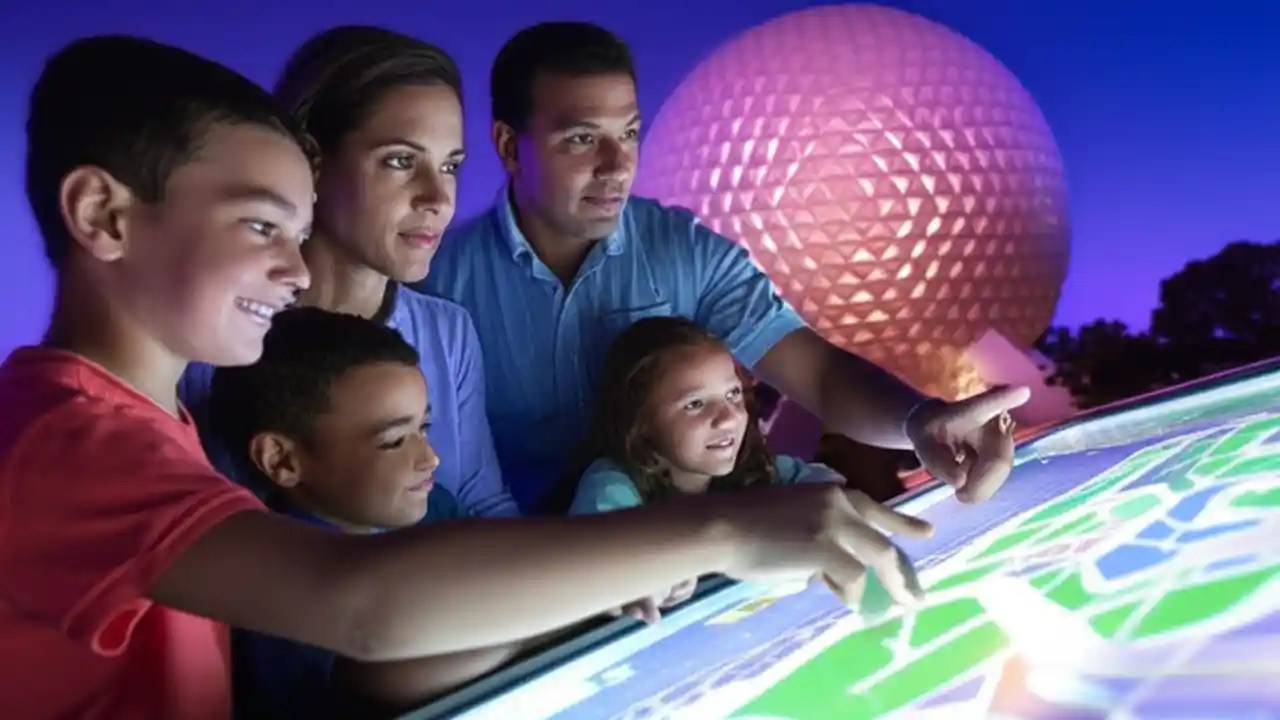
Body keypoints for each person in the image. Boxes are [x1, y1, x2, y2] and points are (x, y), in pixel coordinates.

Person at [0, 35, 928, 719]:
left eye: (295, 231)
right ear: (103, 215)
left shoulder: (140, 418)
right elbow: (359, 604)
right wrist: (718, 530)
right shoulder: (66, 442)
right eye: (259, 226)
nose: (290, 270)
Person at [419, 21, 1030, 514]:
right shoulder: (436, 281)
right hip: (519, 569)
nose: (617, 165)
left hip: (687, 556)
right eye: (581, 139)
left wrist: (922, 420)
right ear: (508, 146)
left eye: (628, 134)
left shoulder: (687, 250)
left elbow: (819, 375)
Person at [180, 25, 517, 518]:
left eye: (450, 166)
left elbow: (481, 503)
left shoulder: (447, 331)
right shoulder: (212, 338)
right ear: (312, 161)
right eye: (401, 161)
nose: (439, 199)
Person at [211, 308, 538, 715]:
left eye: (424, 429)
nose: (430, 459)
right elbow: (393, 674)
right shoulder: (279, 574)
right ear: (282, 459)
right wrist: (546, 619)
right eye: (394, 441)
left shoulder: (434, 506)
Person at [567, 317, 875, 622]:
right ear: (641, 422)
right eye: (695, 404)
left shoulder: (756, 467)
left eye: (733, 394)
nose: (728, 418)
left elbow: (823, 492)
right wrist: (653, 573)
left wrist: (847, 505)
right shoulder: (612, 486)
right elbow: (596, 563)